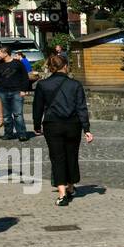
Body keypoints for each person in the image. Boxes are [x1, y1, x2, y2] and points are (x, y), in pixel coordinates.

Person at [32, 54, 94, 206]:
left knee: (57, 157)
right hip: (73, 124)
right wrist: (86, 128)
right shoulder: (75, 85)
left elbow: (37, 107)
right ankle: (71, 187)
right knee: (71, 155)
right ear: (65, 66)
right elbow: (81, 108)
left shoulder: (42, 85)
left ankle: (62, 193)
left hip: (52, 124)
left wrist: (37, 125)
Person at [0, 47, 33, 142]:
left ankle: (22, 134)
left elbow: (25, 77)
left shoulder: (17, 63)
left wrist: (23, 90)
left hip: (17, 92)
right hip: (3, 92)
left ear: (6, 53)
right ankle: (8, 133)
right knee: (6, 115)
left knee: (18, 114)